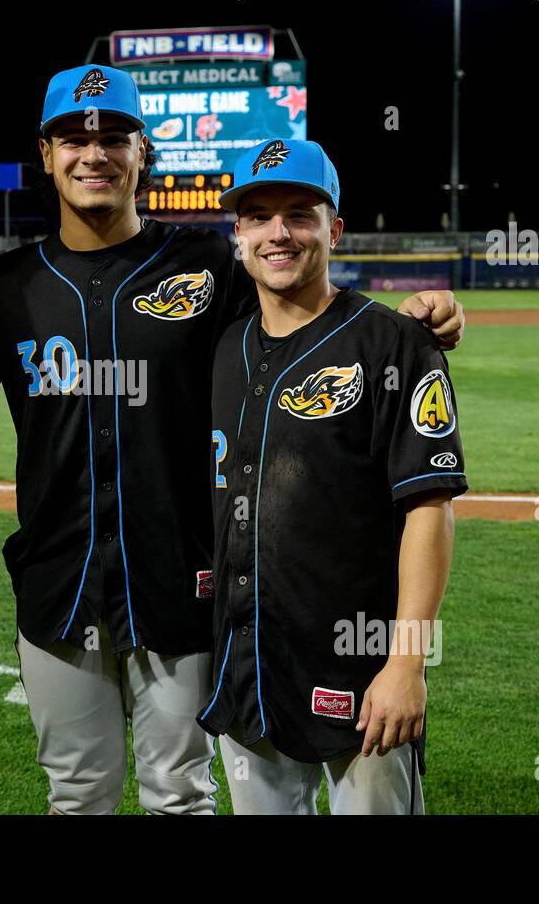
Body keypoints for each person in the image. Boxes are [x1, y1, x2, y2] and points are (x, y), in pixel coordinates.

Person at [0, 64, 465, 814]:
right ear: (46, 152)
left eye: (114, 137)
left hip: (186, 597)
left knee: (180, 797)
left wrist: (416, 322)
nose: (93, 153)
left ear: (143, 153)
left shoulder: (206, 266)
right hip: (57, 590)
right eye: (73, 137)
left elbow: (309, 313)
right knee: (76, 795)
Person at [197, 138, 467, 814]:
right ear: (239, 234)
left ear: (334, 228)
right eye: (257, 215)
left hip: (365, 671)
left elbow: (429, 511)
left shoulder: (394, 344)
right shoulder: (224, 346)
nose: (277, 232)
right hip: (250, 667)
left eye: (299, 212)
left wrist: (406, 665)